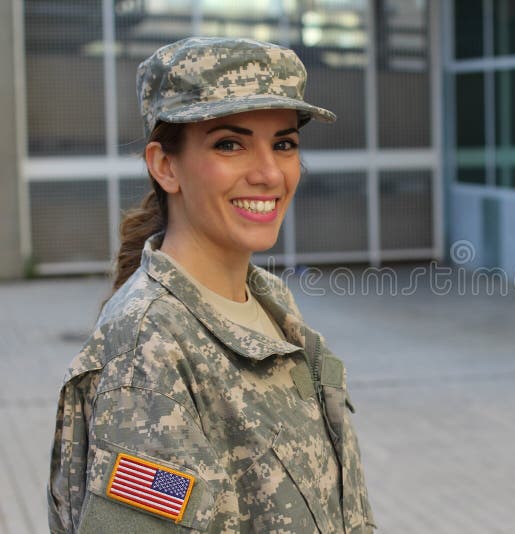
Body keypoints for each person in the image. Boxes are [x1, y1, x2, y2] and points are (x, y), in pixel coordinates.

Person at [47, 36, 377, 533]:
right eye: (230, 143)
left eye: (283, 144)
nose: (269, 173)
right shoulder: (151, 346)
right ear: (165, 166)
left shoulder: (269, 301)